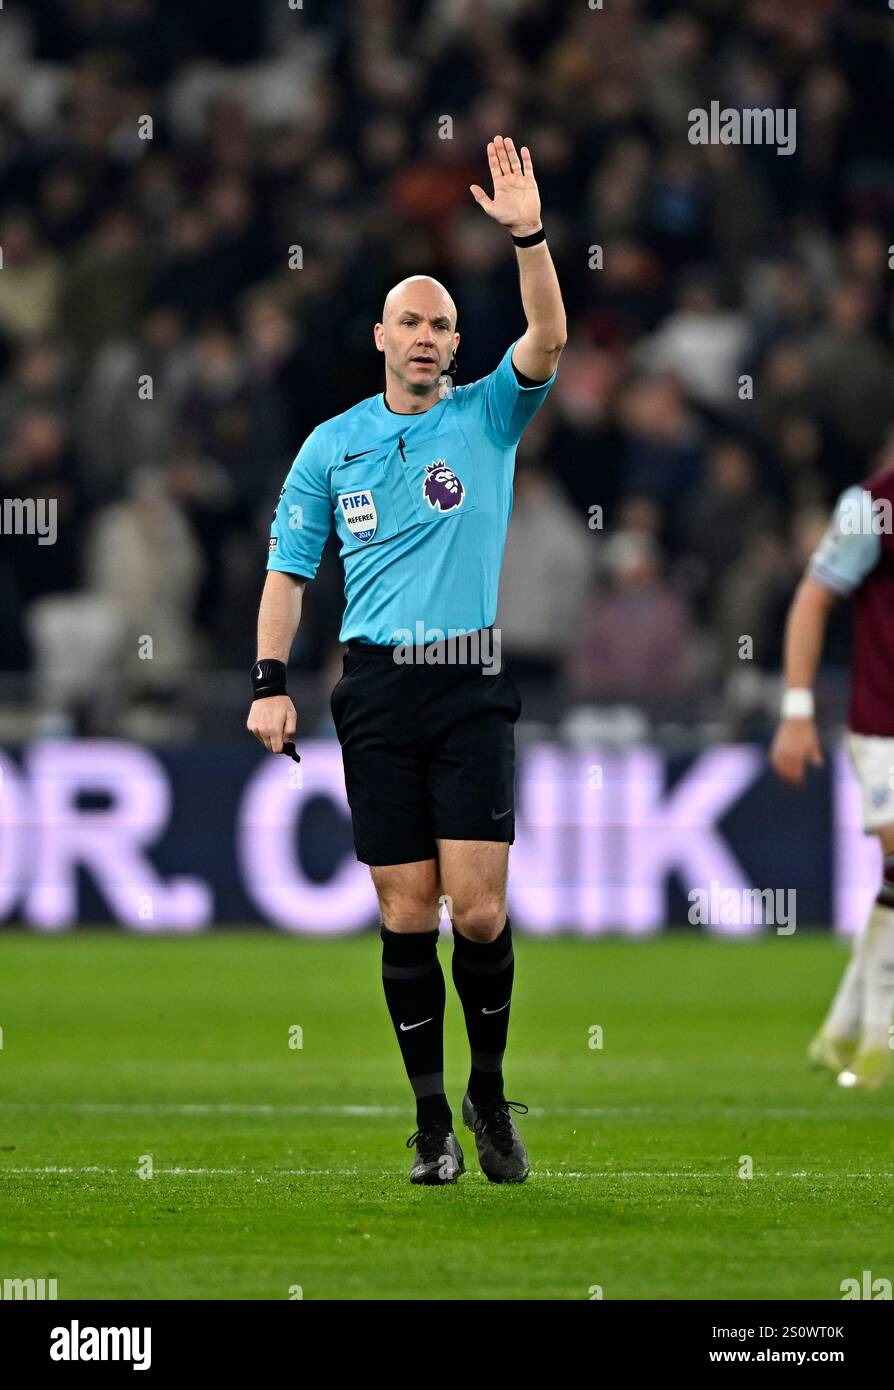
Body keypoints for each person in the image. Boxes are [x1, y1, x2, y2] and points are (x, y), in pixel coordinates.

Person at [247, 137, 566, 1181]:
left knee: (477, 908)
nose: (427, 337)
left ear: (454, 342)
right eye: (412, 322)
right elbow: (289, 572)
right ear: (382, 336)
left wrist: (526, 233)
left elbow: (551, 335)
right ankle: (431, 1119)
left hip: (471, 680)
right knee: (403, 910)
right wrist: (268, 683)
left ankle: (488, 1092)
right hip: (375, 684)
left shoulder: (489, 413)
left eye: (442, 325)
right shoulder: (329, 447)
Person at [770, 436, 894, 1089]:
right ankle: (877, 1045)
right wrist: (796, 710)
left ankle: (840, 1032)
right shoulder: (870, 507)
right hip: (884, 725)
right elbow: (814, 599)